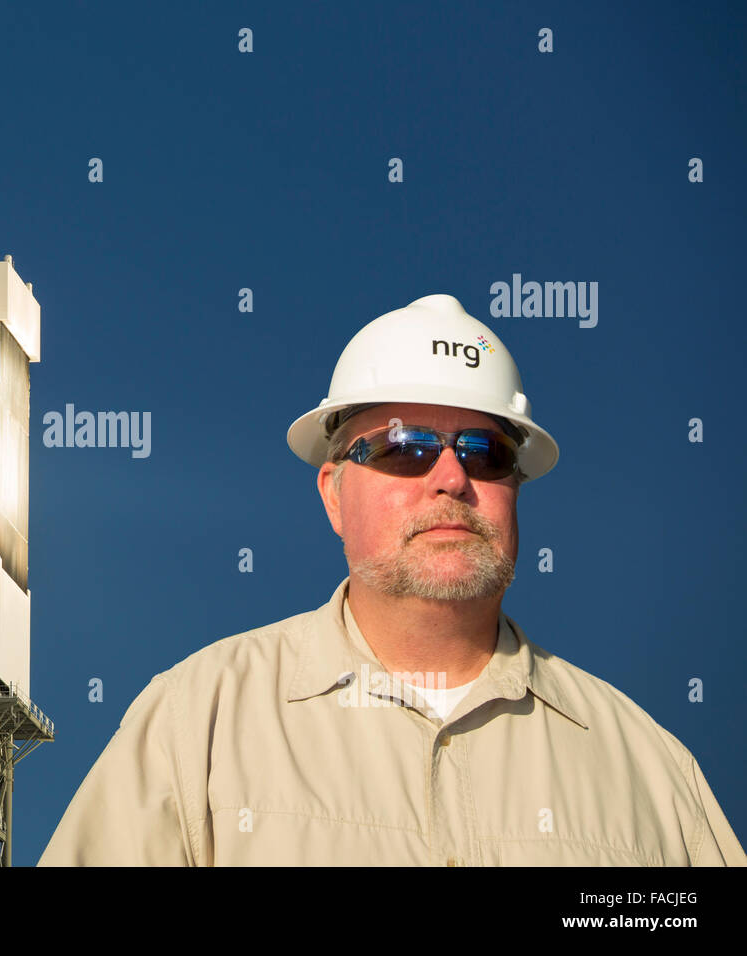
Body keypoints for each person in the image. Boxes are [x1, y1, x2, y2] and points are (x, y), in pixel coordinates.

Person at [37, 294, 746, 866]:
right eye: (405, 447)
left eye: (486, 450)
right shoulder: (197, 727)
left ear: (515, 487)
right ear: (333, 493)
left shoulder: (654, 775)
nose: (451, 478)